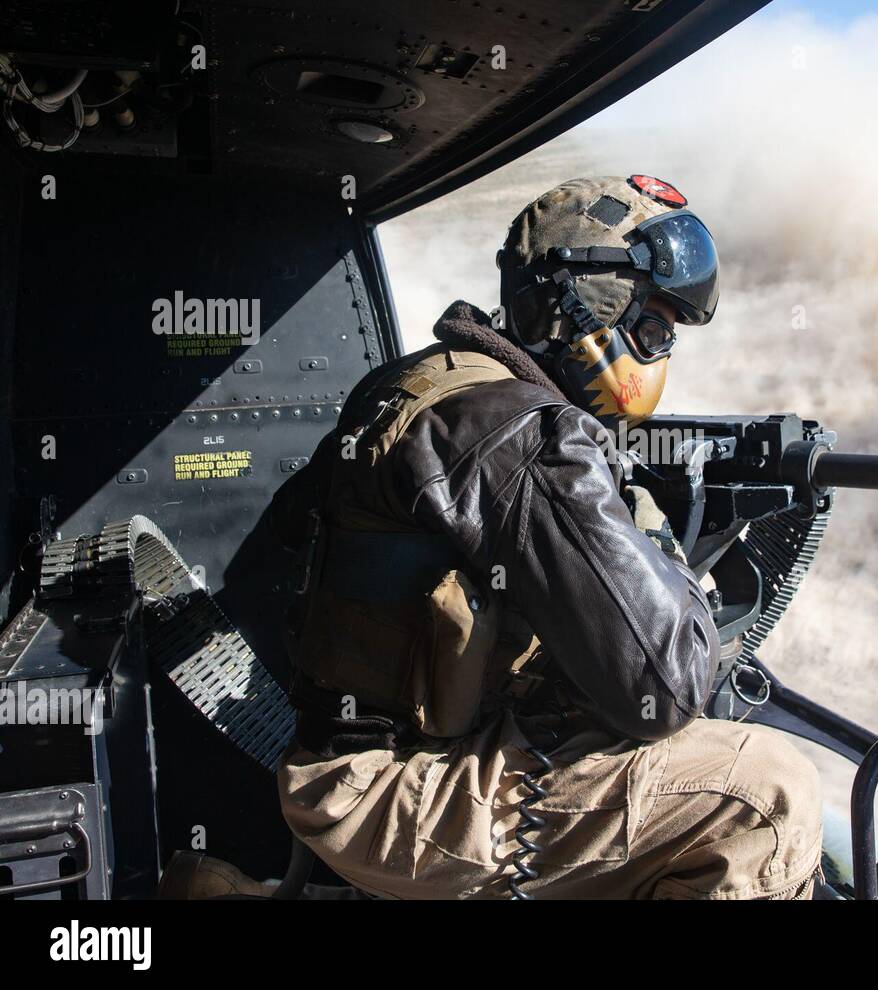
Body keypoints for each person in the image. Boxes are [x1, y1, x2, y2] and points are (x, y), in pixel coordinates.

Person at [208, 176, 821, 899]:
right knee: (767, 796)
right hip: (389, 795)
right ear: (586, 306)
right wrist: (653, 536)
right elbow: (664, 688)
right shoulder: (529, 434)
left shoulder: (413, 383)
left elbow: (291, 526)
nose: (660, 355)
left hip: (332, 755)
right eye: (655, 329)